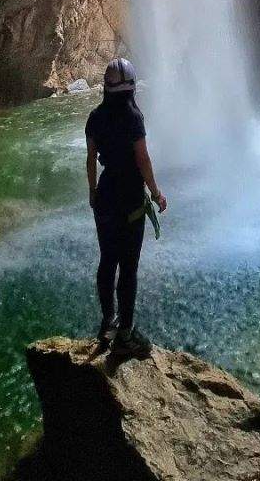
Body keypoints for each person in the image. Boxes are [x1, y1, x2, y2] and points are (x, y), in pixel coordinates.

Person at [85, 57, 166, 357]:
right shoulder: (133, 116)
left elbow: (91, 158)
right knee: (128, 268)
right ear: (131, 87)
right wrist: (157, 194)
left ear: (106, 87)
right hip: (130, 198)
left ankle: (108, 321)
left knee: (107, 261)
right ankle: (126, 335)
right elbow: (142, 159)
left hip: (105, 198)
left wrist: (92, 192)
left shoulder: (95, 117)